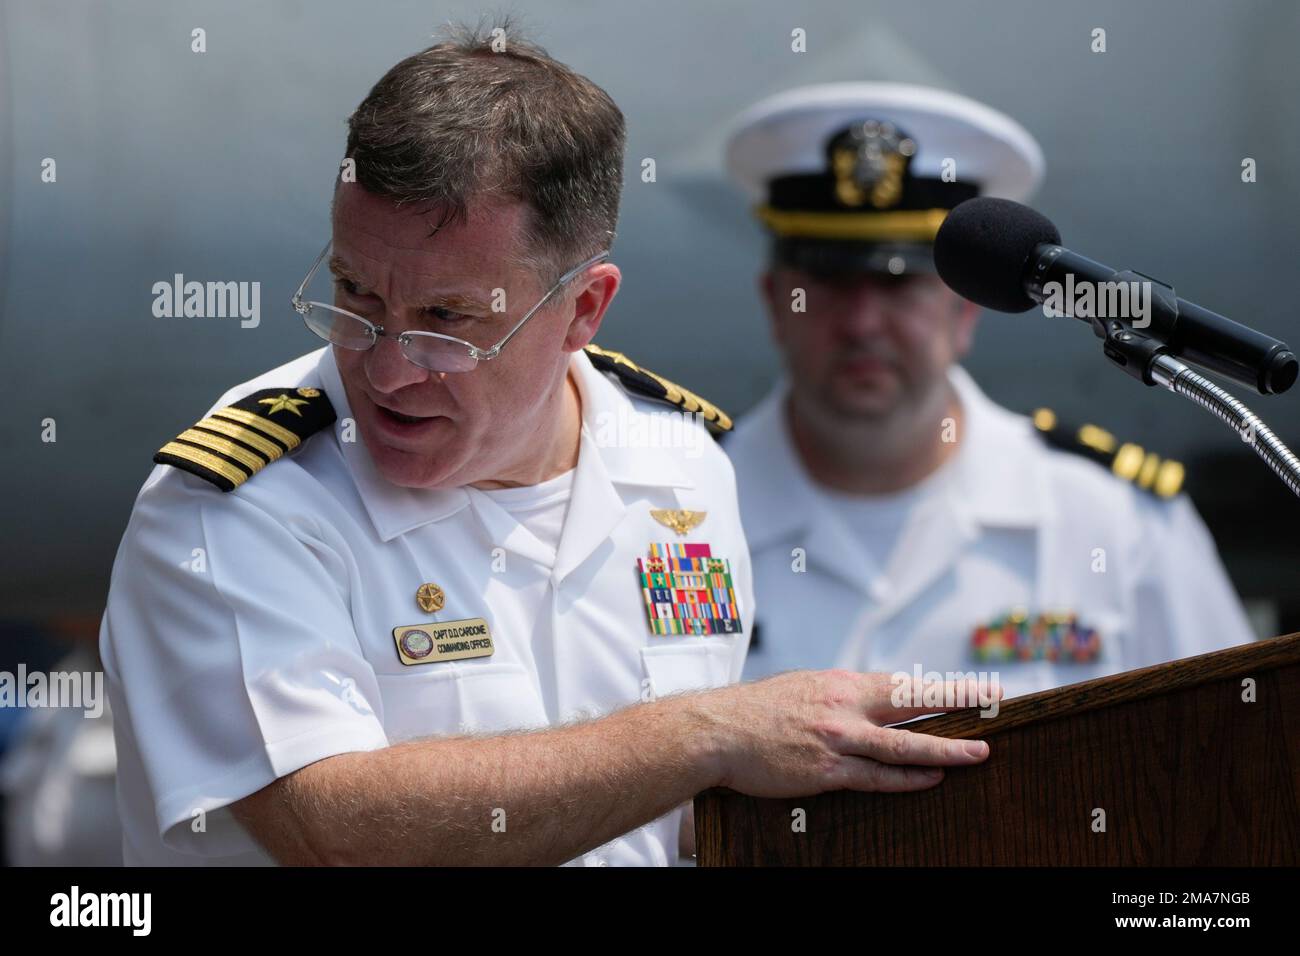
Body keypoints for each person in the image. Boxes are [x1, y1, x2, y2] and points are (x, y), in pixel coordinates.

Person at [99, 30, 992, 867]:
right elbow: (334, 826)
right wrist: (709, 736)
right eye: (354, 293)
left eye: (446, 319)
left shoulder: (679, 465)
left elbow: (652, 816)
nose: (386, 367)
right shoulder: (240, 502)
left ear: (583, 309)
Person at [722, 83, 1256, 698]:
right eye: (831, 280)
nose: (863, 322)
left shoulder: (1116, 525)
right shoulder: (678, 515)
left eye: (901, 284)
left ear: (966, 311)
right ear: (774, 302)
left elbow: (1240, 757)